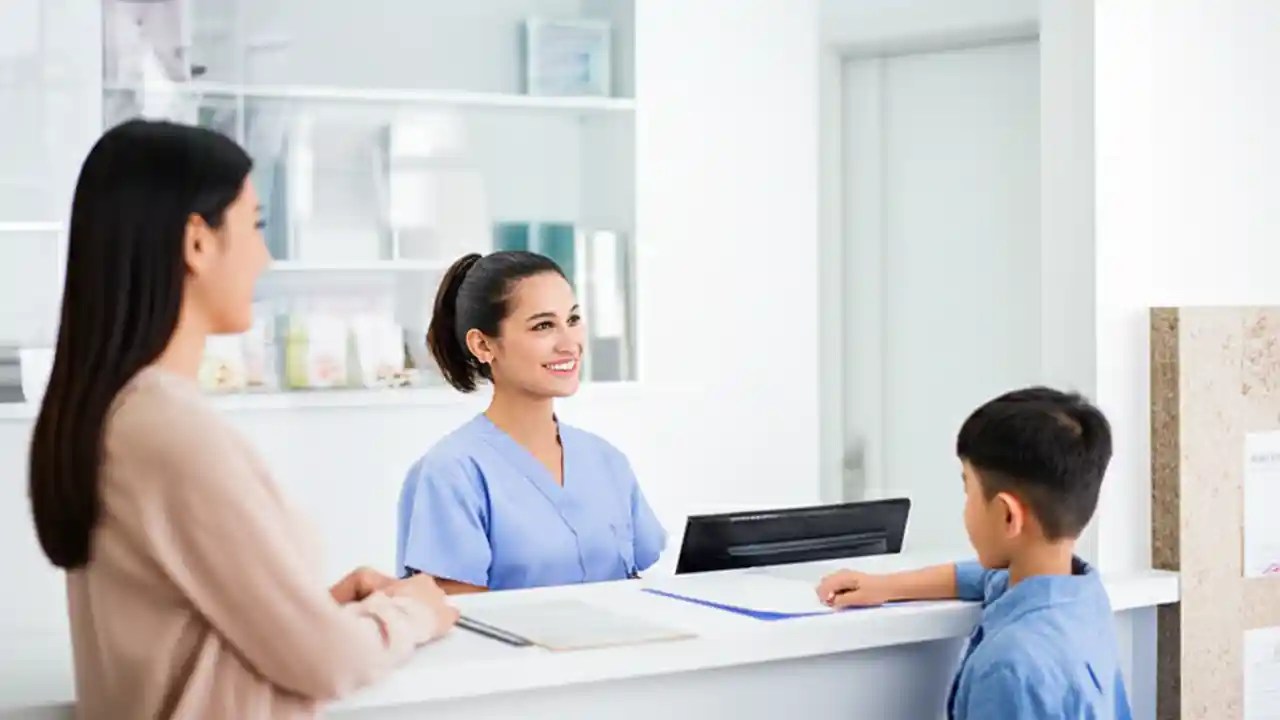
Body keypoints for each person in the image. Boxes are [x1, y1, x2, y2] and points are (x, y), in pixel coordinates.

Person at [27, 119, 458, 720]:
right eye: (254, 225)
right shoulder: (169, 432)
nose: (265, 256)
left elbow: (179, 634)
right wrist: (414, 612)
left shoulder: (117, 413)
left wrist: (318, 609)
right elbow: (327, 663)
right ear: (197, 242)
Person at [815, 387, 1130, 720]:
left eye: (968, 490)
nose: (965, 508)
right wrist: (886, 587)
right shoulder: (1081, 596)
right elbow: (982, 579)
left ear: (1008, 515)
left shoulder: (1008, 666)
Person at [395, 250, 666, 593]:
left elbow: (643, 581)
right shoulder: (452, 472)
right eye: (543, 326)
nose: (570, 344)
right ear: (482, 345)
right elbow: (460, 620)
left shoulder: (606, 461)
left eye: (573, 320)